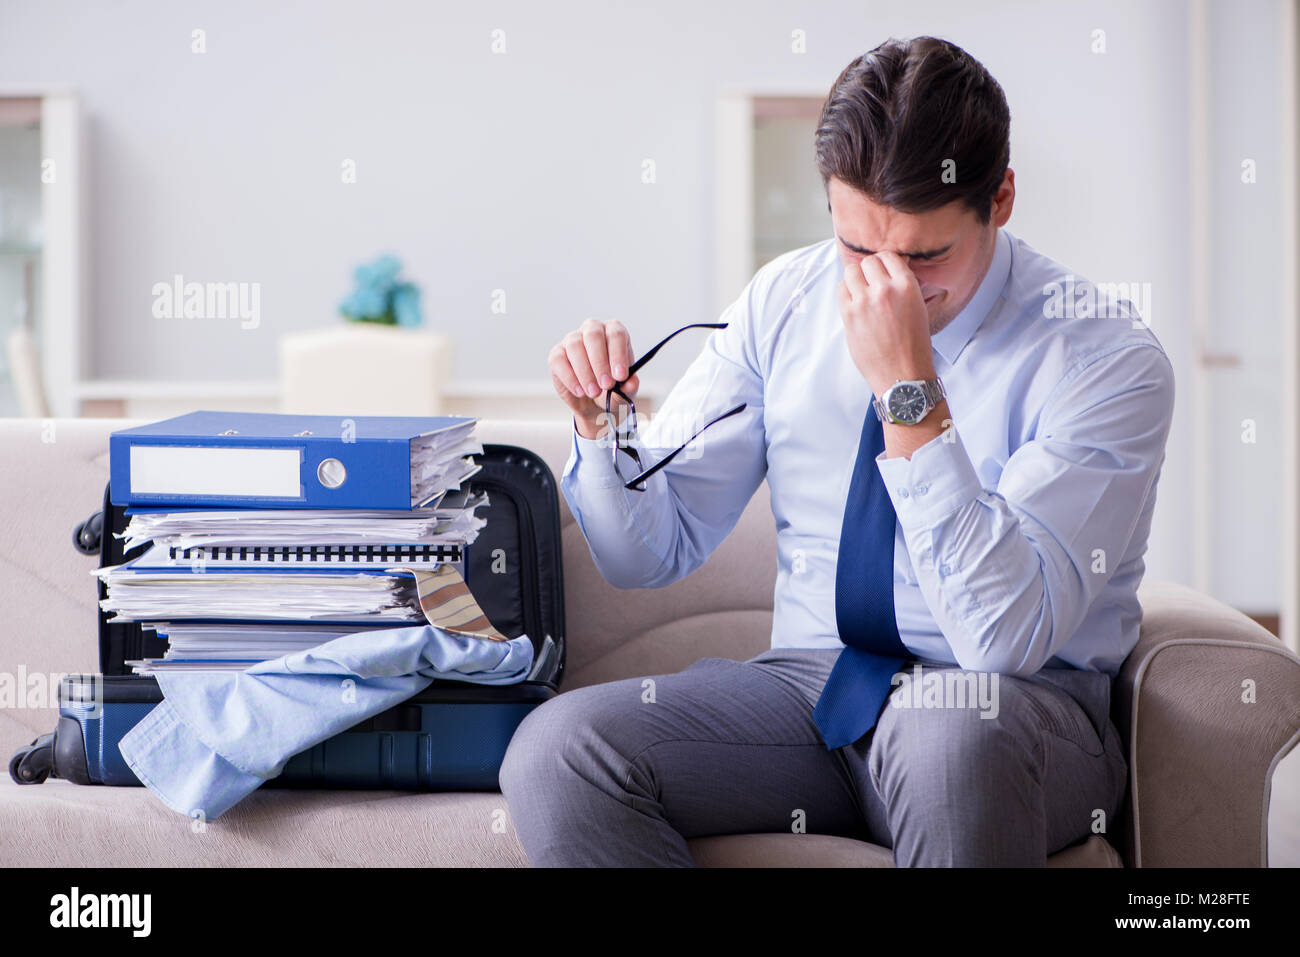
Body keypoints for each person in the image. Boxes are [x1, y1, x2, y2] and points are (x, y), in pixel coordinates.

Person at [499, 35, 1175, 866]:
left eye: (925, 256)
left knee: (948, 736)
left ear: (998, 198)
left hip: (1011, 706)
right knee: (559, 751)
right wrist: (601, 428)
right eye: (858, 247)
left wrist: (909, 394)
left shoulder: (1105, 358)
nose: (882, 286)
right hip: (810, 686)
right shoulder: (786, 299)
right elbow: (650, 551)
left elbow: (1005, 636)